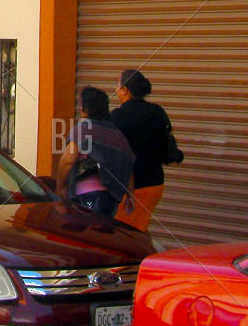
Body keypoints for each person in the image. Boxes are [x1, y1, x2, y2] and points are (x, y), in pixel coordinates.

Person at [110, 68, 182, 232]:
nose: (116, 90)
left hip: (130, 188)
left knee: (122, 233)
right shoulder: (157, 111)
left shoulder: (118, 116)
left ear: (125, 90)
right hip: (154, 185)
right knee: (138, 227)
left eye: (117, 86)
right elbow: (167, 149)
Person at [55, 86, 135, 220]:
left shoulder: (83, 129)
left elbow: (67, 161)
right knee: (101, 231)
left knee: (85, 230)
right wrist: (130, 196)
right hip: (110, 200)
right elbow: (127, 167)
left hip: (85, 197)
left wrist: (59, 188)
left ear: (86, 110)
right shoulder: (117, 134)